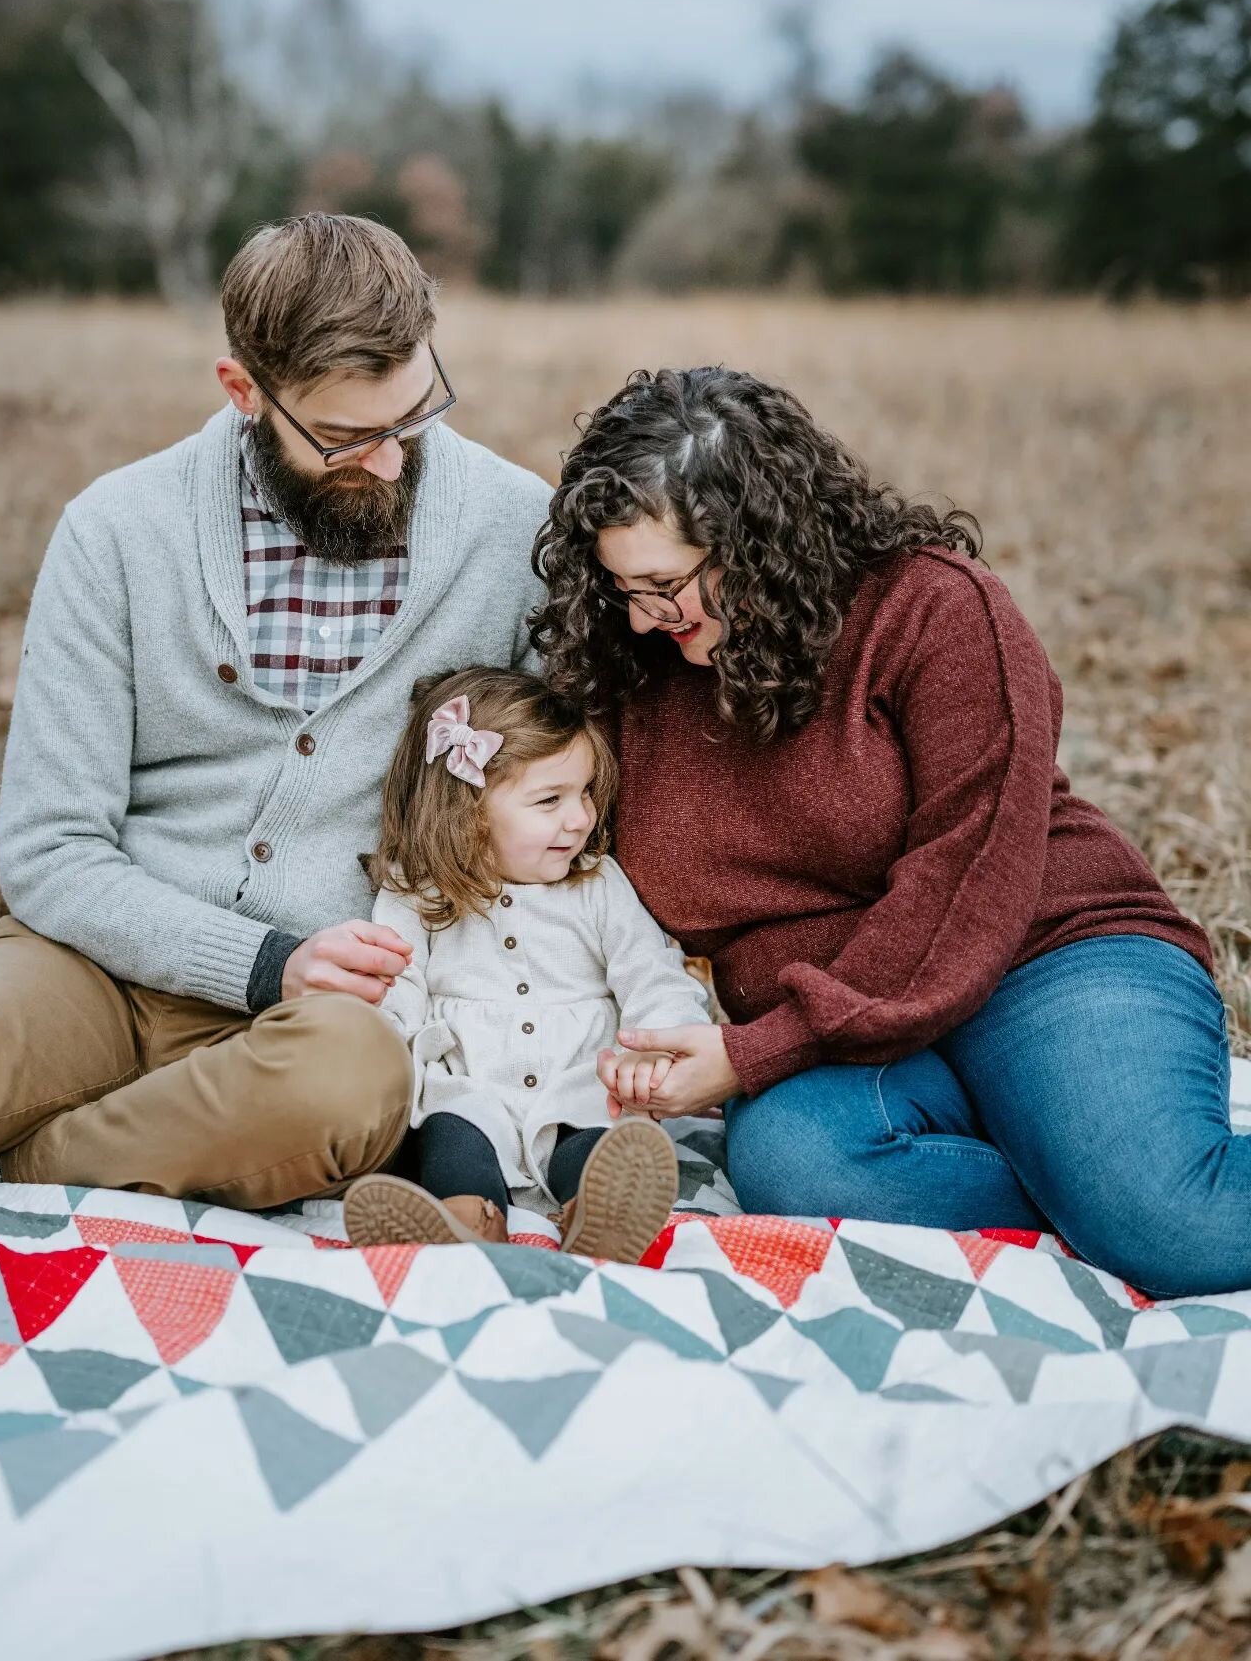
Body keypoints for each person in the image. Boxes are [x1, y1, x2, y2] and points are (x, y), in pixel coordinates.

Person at [0, 215, 551, 1233]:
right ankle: (44, 1127)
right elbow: (51, 848)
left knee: (351, 1084)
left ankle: (28, 1162)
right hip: (89, 965)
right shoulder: (116, 530)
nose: (388, 461)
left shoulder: (517, 531)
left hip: (325, 1017)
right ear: (244, 391)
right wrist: (253, 960)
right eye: (344, 437)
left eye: (415, 414)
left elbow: (566, 791)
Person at [528, 364, 1246, 1300]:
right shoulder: (637, 668)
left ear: (753, 540)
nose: (642, 615)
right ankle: (1077, 1171)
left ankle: (1107, 1178)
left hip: (1047, 961)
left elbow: (965, 882)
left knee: (1170, 1223)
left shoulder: (934, 610)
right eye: (622, 587)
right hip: (850, 1036)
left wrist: (752, 1052)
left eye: (666, 584)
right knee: (796, 1165)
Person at [342, 667, 698, 1262]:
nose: (580, 818)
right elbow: (395, 982)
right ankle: (463, 1222)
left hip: (581, 1079)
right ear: (471, 812)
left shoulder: (597, 882)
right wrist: (379, 1049)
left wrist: (654, 1046)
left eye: (585, 792)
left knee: (599, 1139)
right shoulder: (418, 891)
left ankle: (596, 1213)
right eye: (550, 800)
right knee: (452, 1135)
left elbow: (649, 970)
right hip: (471, 1080)